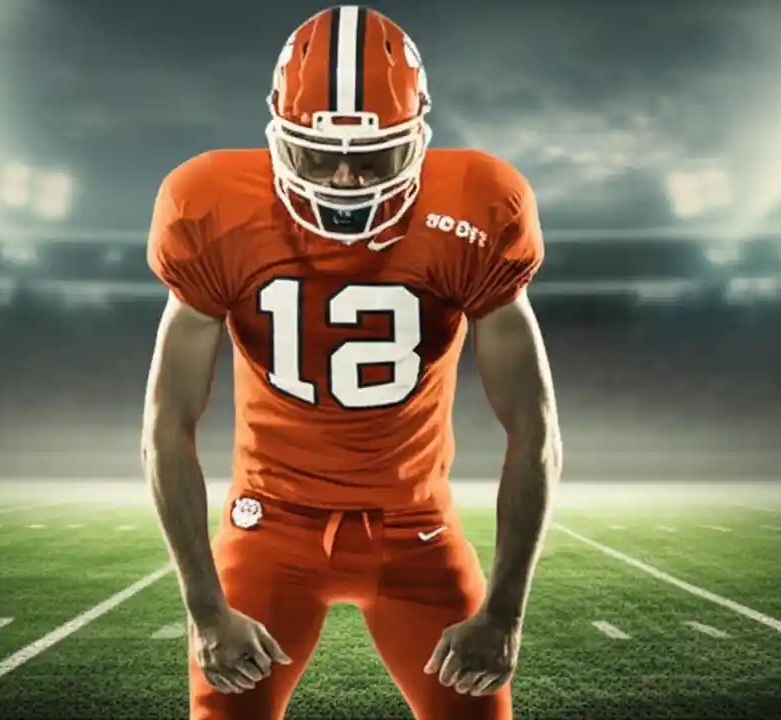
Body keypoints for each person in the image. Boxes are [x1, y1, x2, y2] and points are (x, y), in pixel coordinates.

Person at [141, 5, 562, 719]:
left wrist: (507, 611)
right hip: (266, 524)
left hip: (417, 528)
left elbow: (536, 428)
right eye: (316, 152)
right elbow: (165, 426)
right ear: (278, 136)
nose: (342, 179)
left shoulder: (478, 206)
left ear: (418, 138)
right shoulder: (209, 206)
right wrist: (205, 608)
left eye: (372, 155)